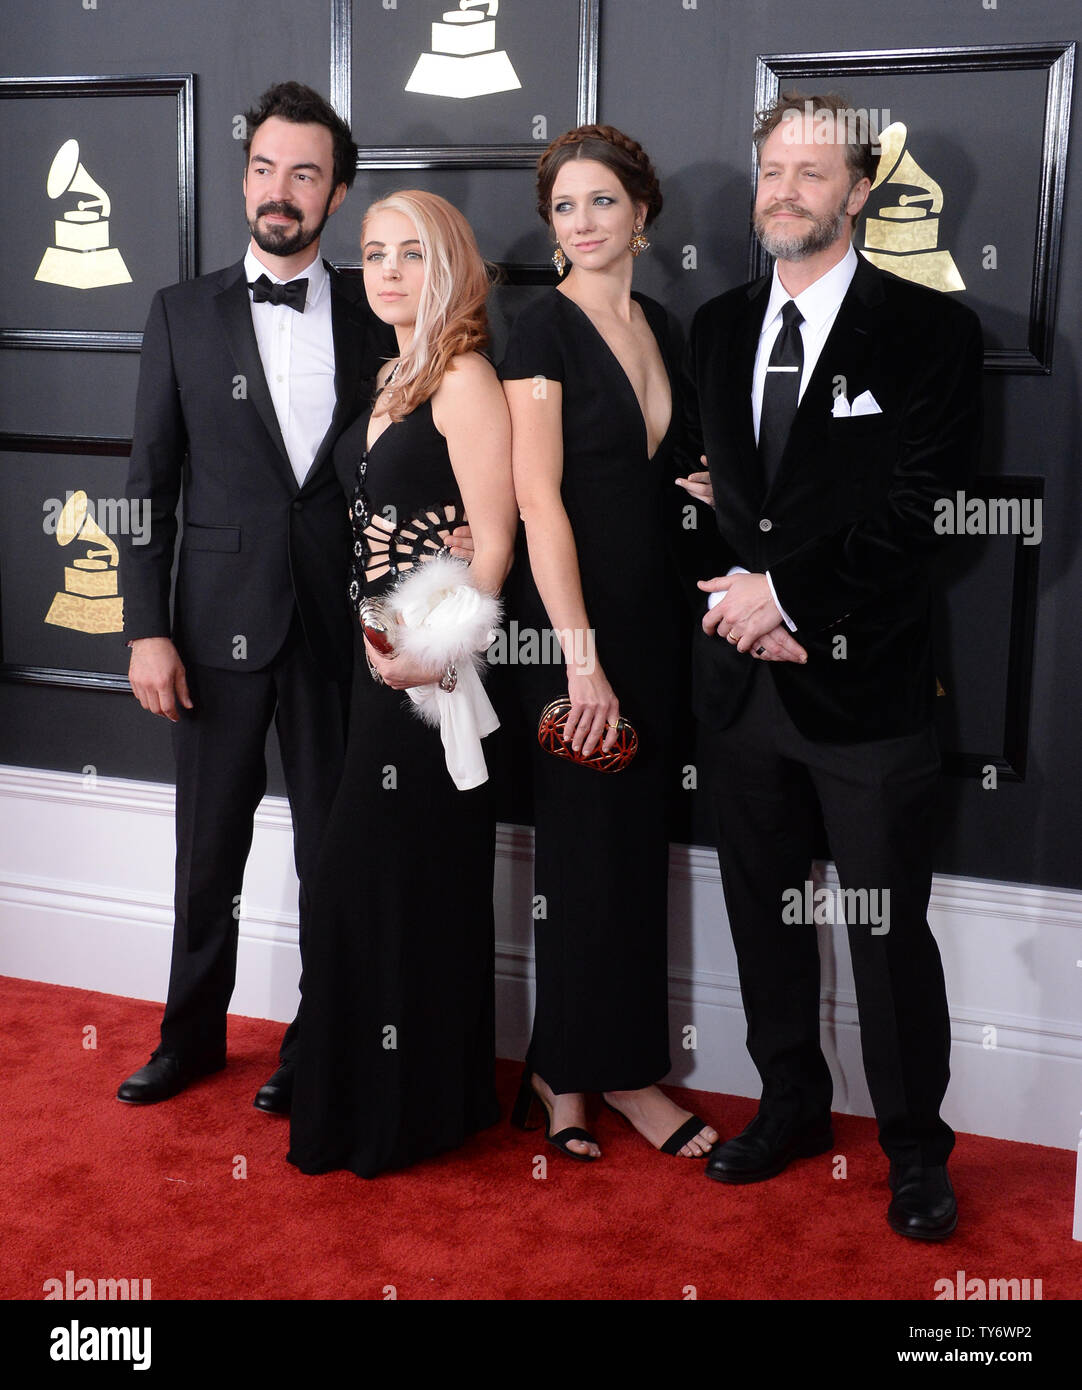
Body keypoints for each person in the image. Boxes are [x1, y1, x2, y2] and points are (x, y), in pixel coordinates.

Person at [683, 93, 982, 1238]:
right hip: (739, 683)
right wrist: (733, 599)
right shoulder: (713, 327)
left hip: (864, 689)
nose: (782, 191)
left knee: (881, 925)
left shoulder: (928, 332)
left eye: (810, 173)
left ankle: (914, 1148)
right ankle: (790, 1104)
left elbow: (922, 515)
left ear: (856, 192)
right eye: (769, 170)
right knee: (761, 913)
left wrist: (790, 596)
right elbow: (706, 495)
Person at [116, 82, 397, 1112]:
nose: (282, 191)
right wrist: (146, 628)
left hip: (339, 630)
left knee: (334, 852)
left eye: (307, 174)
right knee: (208, 849)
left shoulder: (379, 312)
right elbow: (146, 484)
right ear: (244, 178)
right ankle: (187, 1038)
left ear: (336, 192)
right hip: (209, 628)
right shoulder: (180, 312)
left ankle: (314, 1044)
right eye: (266, 169)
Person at [287, 191, 517, 1178]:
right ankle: (409, 1099)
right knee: (380, 886)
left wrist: (443, 651)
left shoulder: (462, 376)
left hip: (423, 672)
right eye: (373, 252)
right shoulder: (389, 373)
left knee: (382, 881)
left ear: (450, 265)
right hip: (366, 657)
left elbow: (496, 539)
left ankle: (399, 1113)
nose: (386, 270)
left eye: (409, 253)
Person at [500, 126, 718, 1162]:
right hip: (573, 629)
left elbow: (664, 471)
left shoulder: (664, 326)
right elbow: (538, 501)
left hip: (656, 625)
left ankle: (604, 1064)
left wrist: (709, 494)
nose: (581, 223)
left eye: (600, 202)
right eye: (563, 207)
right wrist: (577, 656)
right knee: (580, 855)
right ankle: (574, 1074)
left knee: (631, 853)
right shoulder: (538, 331)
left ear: (641, 211)